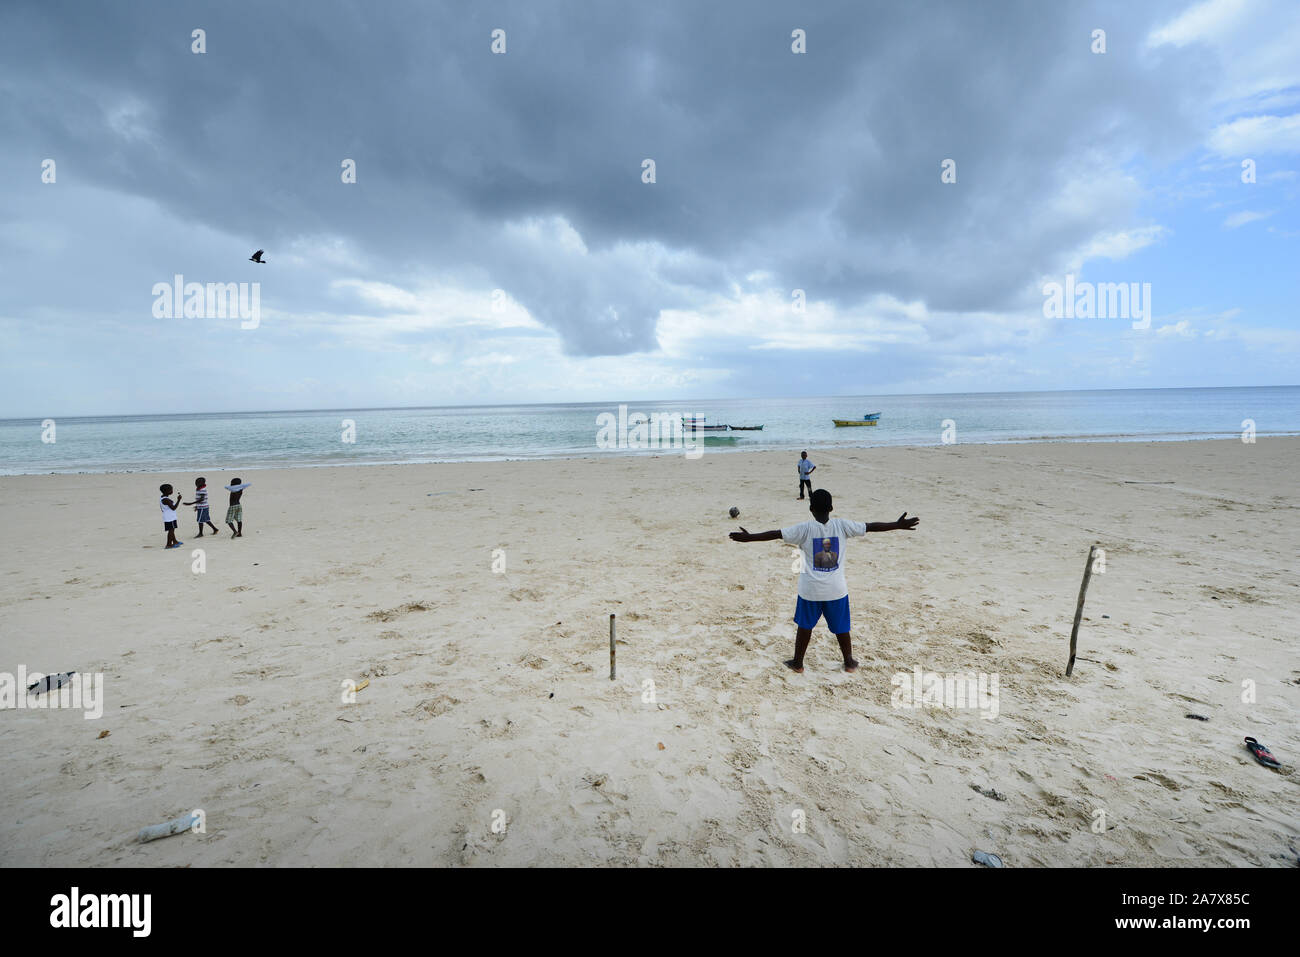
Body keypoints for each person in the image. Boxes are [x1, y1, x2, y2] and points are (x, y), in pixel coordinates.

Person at [729, 488, 918, 673]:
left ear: (811, 509)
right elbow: (871, 527)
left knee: (805, 627)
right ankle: (849, 662)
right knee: (842, 628)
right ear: (832, 508)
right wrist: (897, 524)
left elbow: (775, 534)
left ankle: (798, 663)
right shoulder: (842, 525)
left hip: (810, 590)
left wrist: (749, 538)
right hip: (836, 590)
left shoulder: (804, 528)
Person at [159, 483, 184, 549]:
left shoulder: (163, 498)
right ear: (167, 491)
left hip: (168, 516)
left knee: (172, 530)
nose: (172, 491)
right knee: (171, 530)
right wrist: (178, 500)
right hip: (169, 517)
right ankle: (168, 544)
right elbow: (173, 508)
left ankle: (175, 541)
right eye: (171, 490)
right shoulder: (166, 499)